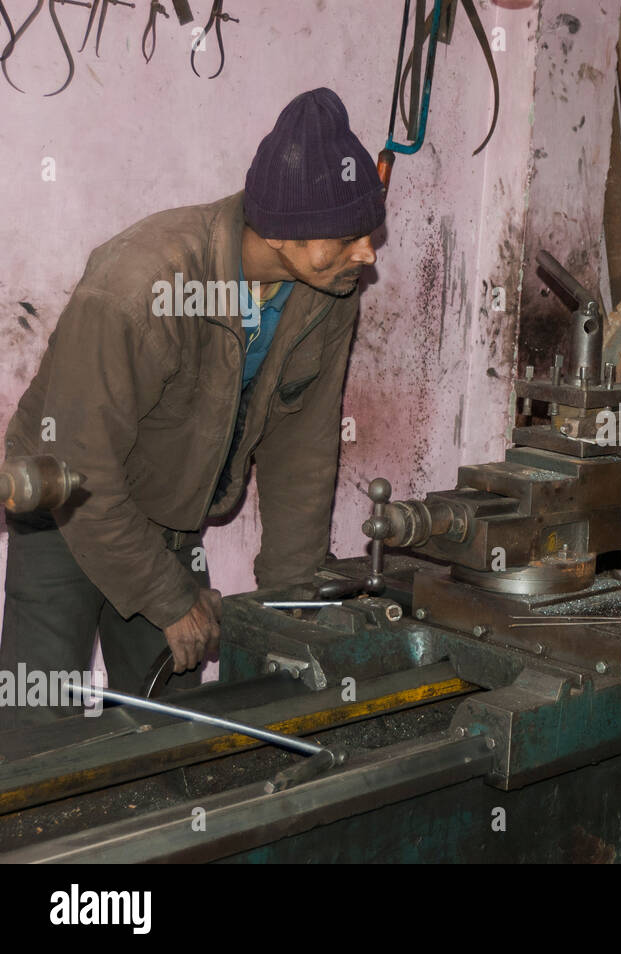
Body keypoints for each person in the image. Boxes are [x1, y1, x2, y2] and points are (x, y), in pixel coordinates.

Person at [0, 87, 384, 726]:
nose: (367, 253)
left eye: (368, 232)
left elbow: (303, 457)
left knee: (171, 734)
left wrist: (287, 618)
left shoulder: (327, 295)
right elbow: (80, 468)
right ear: (281, 235)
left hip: (169, 519)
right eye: (347, 237)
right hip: (65, 507)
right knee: (40, 740)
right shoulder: (141, 285)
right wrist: (169, 596)